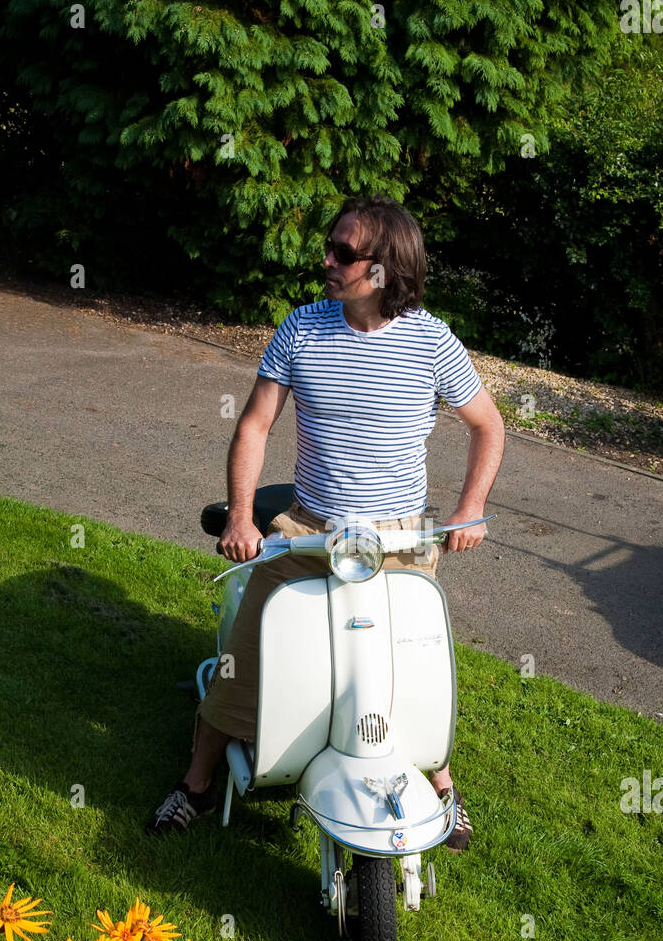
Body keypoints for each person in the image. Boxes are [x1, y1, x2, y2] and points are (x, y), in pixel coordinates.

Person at [149, 194, 505, 845]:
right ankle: (196, 784)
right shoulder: (303, 328)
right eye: (329, 246)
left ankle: (441, 781)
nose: (328, 260)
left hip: (400, 537)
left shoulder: (431, 340)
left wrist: (471, 508)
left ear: (385, 270)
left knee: (413, 665)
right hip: (307, 529)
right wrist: (241, 517)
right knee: (242, 661)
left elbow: (489, 424)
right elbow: (256, 425)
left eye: (344, 252)